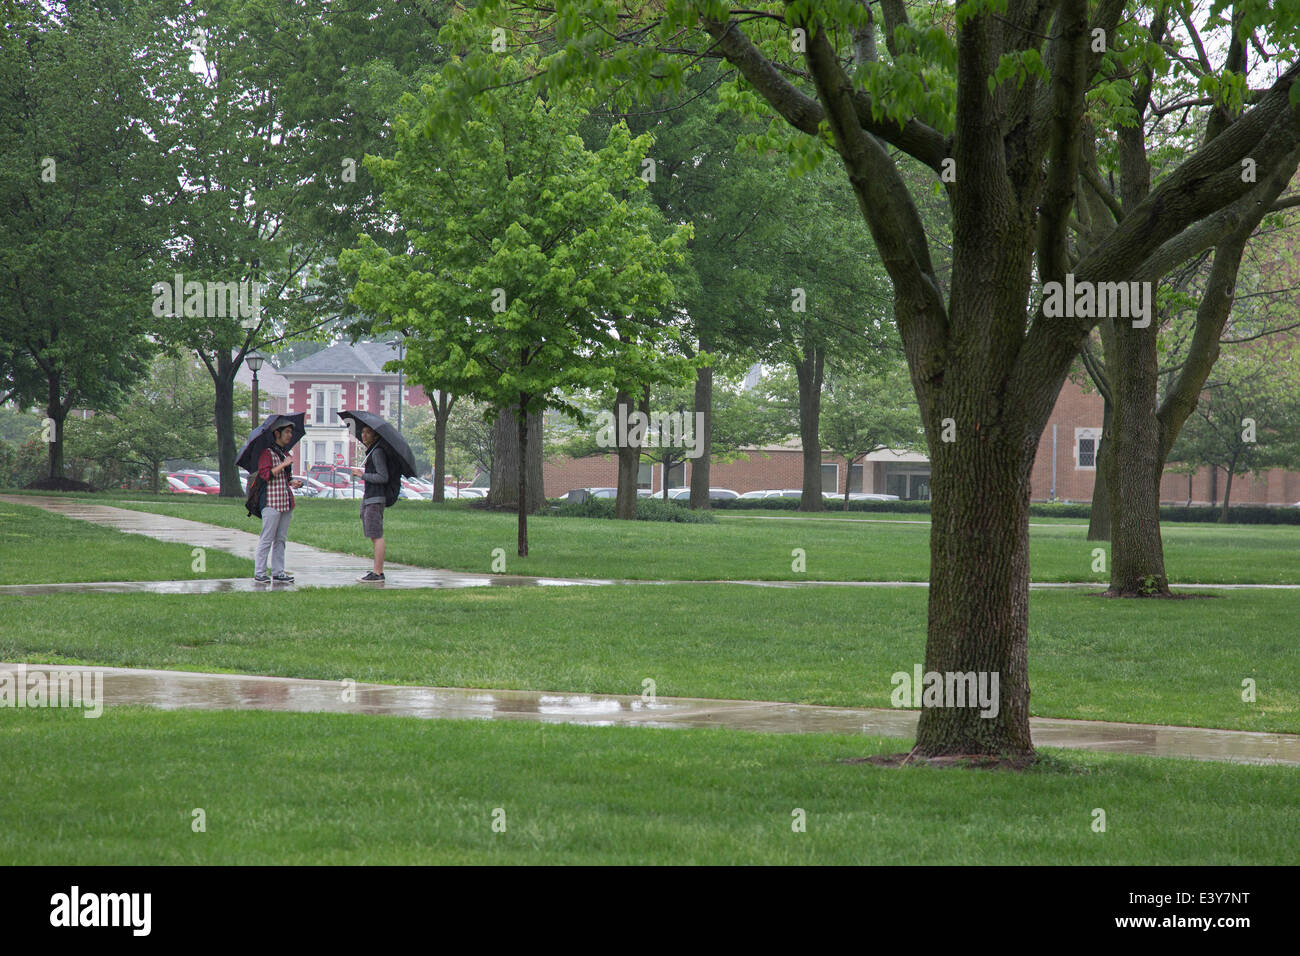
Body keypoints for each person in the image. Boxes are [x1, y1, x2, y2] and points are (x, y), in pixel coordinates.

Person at [254, 423, 303, 584]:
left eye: (291, 432)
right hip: (271, 501)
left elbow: (284, 477)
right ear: (277, 433)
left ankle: (278, 571)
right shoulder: (267, 453)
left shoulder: (284, 453)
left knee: (280, 539)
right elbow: (265, 475)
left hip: (285, 501)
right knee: (267, 538)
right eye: (287, 432)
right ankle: (260, 572)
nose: (290, 435)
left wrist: (293, 482)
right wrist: (283, 464)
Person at [356, 425, 388, 582]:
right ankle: (376, 569)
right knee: (373, 534)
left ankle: (378, 572)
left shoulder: (377, 453)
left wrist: (363, 475)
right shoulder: (371, 452)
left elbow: (383, 477)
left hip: (375, 499)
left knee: (376, 535)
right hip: (369, 497)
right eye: (363, 432)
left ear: (375, 436)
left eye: (368, 432)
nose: (364, 435)